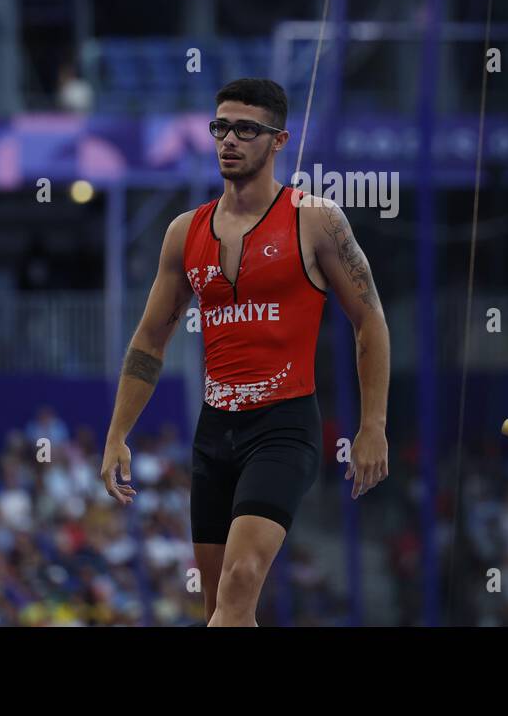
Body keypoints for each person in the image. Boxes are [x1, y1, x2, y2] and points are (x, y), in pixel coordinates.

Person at [100, 77, 390, 626]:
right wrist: (118, 434)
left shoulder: (318, 221)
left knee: (239, 583)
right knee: (219, 608)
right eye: (221, 127)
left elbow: (369, 321)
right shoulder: (185, 232)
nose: (229, 140)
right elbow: (149, 341)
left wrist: (373, 423)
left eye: (246, 130)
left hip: (282, 427)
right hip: (215, 434)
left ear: (278, 141)